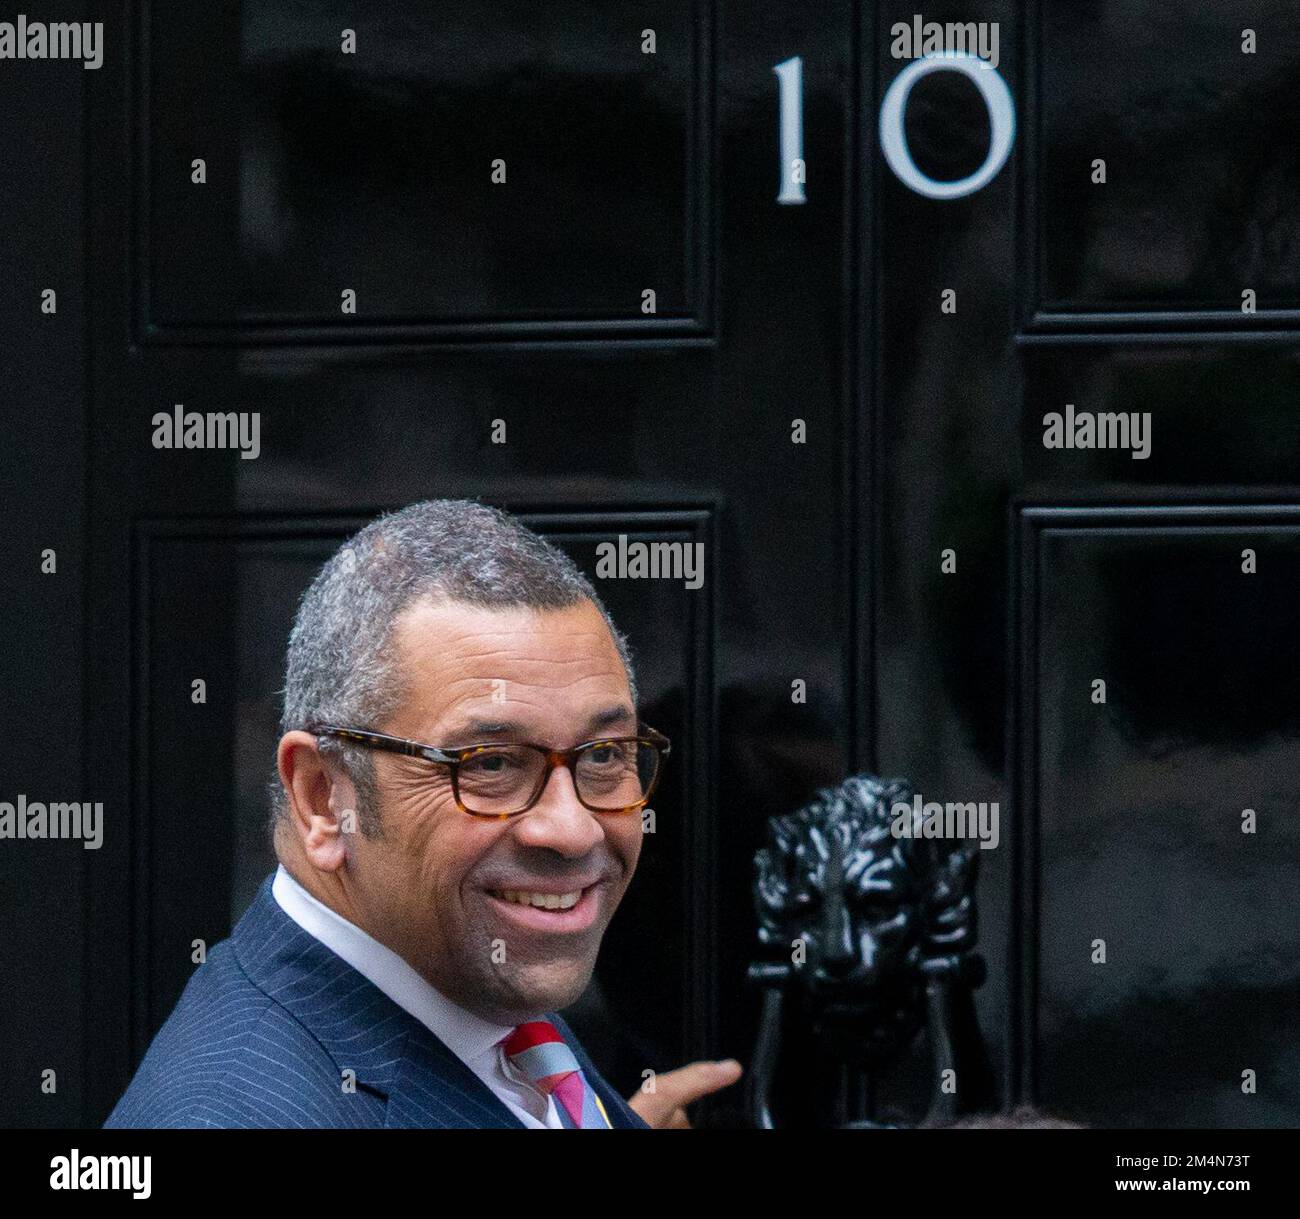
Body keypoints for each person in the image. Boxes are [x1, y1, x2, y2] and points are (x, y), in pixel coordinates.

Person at [106, 499, 741, 1129]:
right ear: (323, 797)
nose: (571, 829)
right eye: (490, 764)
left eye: (603, 754)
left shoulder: (470, 986)